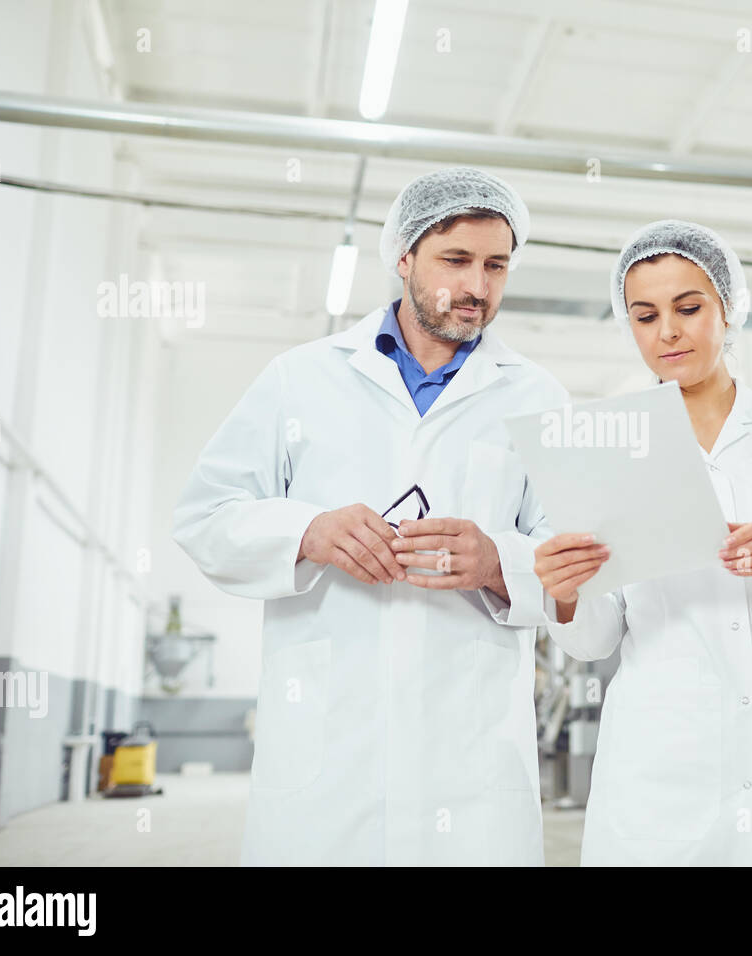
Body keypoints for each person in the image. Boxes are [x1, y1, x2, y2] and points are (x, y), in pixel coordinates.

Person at [172, 167, 568, 865]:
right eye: (456, 260)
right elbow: (207, 516)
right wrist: (305, 531)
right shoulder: (301, 378)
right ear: (404, 257)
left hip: (472, 763)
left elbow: (578, 562)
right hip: (329, 758)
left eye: (496, 265)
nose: (477, 286)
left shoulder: (537, 397)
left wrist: (497, 562)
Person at [532, 220, 752, 866]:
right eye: (644, 315)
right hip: (663, 764)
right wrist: (568, 593)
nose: (667, 331)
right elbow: (598, 636)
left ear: (728, 306)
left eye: (688, 308)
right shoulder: (610, 445)